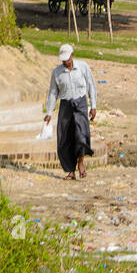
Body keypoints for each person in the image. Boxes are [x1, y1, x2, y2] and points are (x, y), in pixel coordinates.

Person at [43, 43, 96, 179]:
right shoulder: (57, 73)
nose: (66, 62)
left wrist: (93, 106)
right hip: (66, 105)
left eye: (67, 59)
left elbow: (91, 85)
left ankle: (80, 163)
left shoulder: (83, 67)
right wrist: (49, 112)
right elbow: (53, 93)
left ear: (72, 56)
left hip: (80, 103)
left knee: (81, 135)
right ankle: (70, 170)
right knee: (65, 138)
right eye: (63, 60)